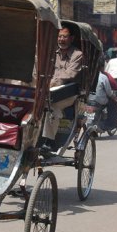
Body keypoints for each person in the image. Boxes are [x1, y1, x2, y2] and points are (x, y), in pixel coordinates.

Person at [41, 26, 84, 154]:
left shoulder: (77, 55)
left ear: (71, 38)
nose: (61, 39)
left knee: (52, 106)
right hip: (48, 90)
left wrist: (51, 83)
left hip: (68, 93)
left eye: (64, 36)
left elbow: (69, 74)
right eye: (59, 36)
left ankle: (49, 141)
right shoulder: (52, 53)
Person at [88, 65, 117, 130]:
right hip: (98, 101)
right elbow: (109, 92)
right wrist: (114, 98)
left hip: (87, 100)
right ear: (101, 67)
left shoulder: (87, 75)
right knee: (113, 103)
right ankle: (111, 124)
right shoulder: (103, 77)